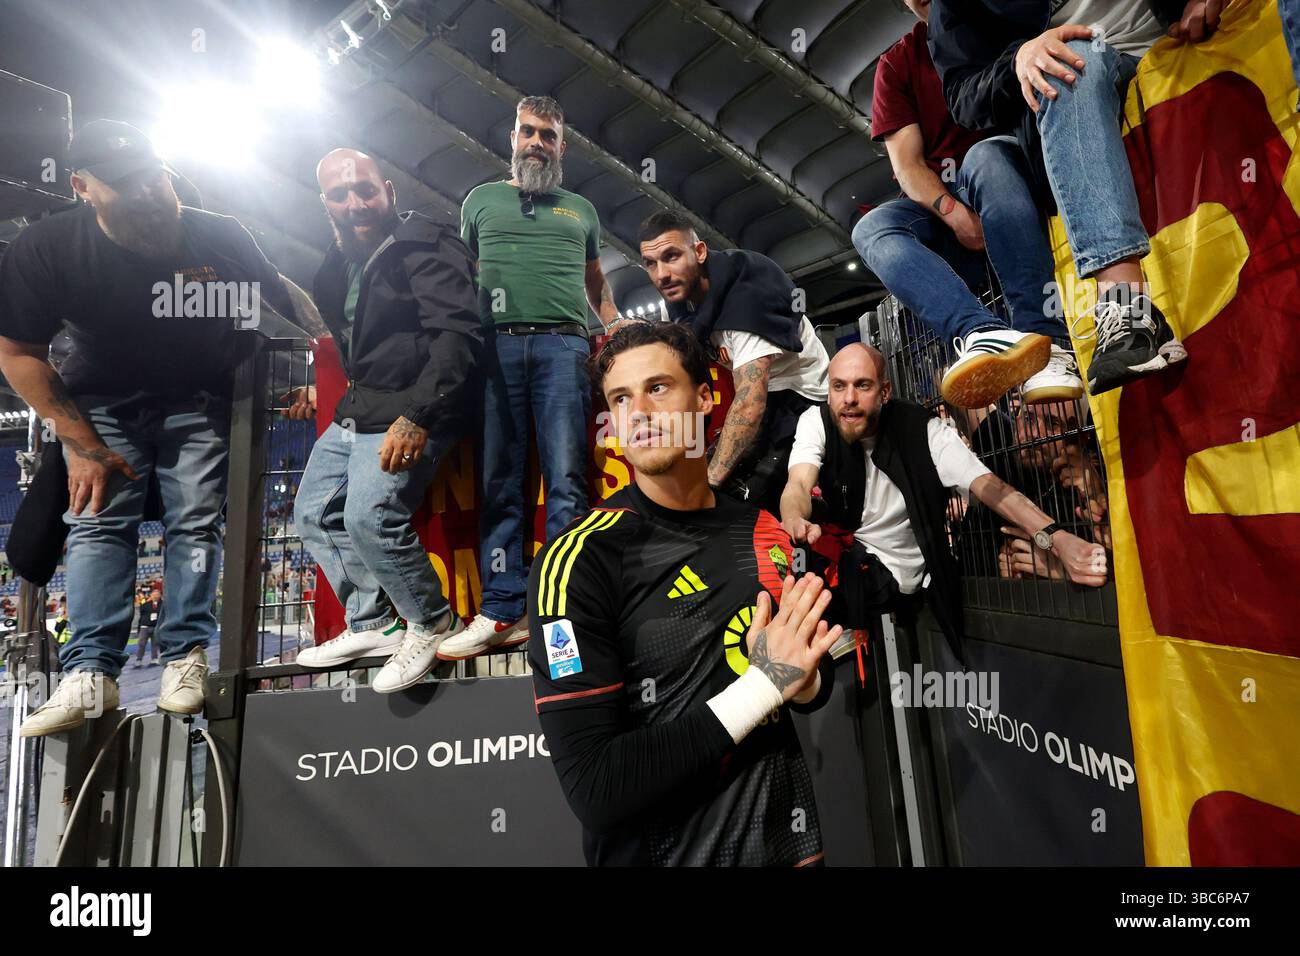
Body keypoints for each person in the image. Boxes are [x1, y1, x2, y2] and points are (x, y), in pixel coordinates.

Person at [0, 120, 308, 737]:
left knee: (195, 518)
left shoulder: (218, 234)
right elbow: (18, 353)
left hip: (200, 395)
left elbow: (281, 294)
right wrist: (80, 445)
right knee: (96, 521)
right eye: (124, 182)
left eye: (153, 175)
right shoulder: (47, 248)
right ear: (82, 186)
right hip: (103, 400)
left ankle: (185, 656)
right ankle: (91, 672)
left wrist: (320, 357)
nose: (145, 191)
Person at [529, 322, 839, 866]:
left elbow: (812, 679)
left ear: (705, 399)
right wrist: (765, 686)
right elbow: (596, 788)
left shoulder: (764, 529)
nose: (638, 412)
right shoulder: (578, 559)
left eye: (657, 388)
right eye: (619, 398)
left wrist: (803, 678)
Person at [928, 0, 1225, 394]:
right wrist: (1020, 57)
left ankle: (1063, 335)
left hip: (1171, 45)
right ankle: (1125, 310)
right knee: (1065, 60)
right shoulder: (948, 11)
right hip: (1069, 90)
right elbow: (965, 98)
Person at [288, 148, 483, 693]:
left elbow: (457, 337)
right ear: (324, 202)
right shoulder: (339, 258)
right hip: (359, 407)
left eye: (365, 189)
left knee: (370, 518)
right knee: (312, 514)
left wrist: (417, 415)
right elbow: (358, 343)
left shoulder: (428, 242)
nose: (355, 203)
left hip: (413, 408)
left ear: (389, 190)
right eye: (339, 194)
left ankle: (429, 619)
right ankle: (373, 623)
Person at [442, 95, 621, 662]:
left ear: (561, 147)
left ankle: (563, 609)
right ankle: (501, 609)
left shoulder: (581, 210)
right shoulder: (480, 201)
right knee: (501, 482)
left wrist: (615, 325)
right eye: (528, 133)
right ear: (513, 139)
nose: (537, 143)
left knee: (568, 480)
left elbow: (597, 281)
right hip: (495, 348)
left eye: (548, 135)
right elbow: (461, 274)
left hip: (564, 347)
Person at [778, 344, 1107, 651]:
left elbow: (993, 489)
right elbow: (799, 483)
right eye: (839, 386)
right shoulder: (817, 421)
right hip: (860, 564)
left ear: (885, 391)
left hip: (903, 582)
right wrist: (793, 517)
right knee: (781, 577)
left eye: (863, 385)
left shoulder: (927, 432)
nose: (849, 398)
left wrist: (1054, 538)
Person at [853, 0, 1083, 409]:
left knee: (984, 158)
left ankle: (1045, 338)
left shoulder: (1000, 17)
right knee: (870, 228)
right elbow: (907, 167)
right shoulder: (898, 63)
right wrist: (955, 216)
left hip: (1018, 185)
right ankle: (983, 333)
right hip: (957, 219)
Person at [638, 209, 830, 514]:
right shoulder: (677, 300)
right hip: (762, 396)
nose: (661, 274)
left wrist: (709, 483)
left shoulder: (748, 296)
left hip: (804, 398)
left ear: (699, 251)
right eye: (651, 263)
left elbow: (749, 406)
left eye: (671, 256)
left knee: (736, 499)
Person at [133, 588, 161, 666]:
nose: (156, 595)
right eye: (154, 594)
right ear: (151, 595)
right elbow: (141, 614)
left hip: (156, 626)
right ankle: (139, 659)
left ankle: (154, 658)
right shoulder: (145, 604)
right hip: (145, 626)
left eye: (157, 594)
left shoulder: (162, 605)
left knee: (155, 644)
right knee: (141, 643)